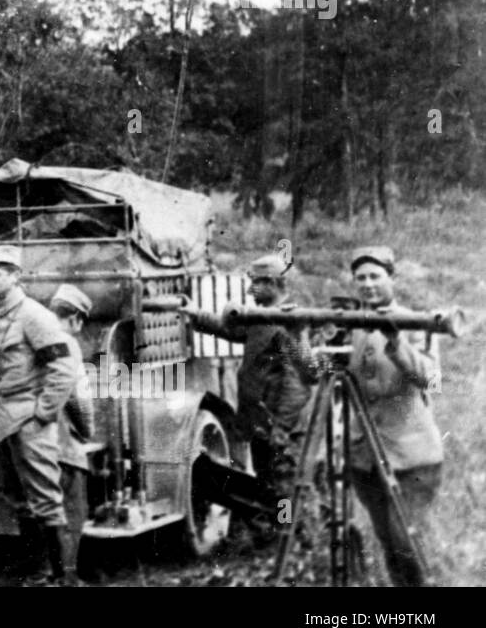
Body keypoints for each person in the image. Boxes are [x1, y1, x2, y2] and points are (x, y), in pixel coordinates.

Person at [183, 252, 318, 535]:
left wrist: (281, 427)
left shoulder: (288, 322)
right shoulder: (262, 318)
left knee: (284, 486)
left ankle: (293, 537)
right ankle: (282, 533)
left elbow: (297, 384)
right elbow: (232, 330)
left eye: (255, 283)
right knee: (269, 482)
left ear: (271, 283)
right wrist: (196, 315)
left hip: (280, 427)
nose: (249, 289)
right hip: (262, 423)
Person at [0, 245, 81, 586]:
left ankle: (64, 578)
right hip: (0, 418)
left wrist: (44, 412)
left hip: (27, 421)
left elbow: (64, 367)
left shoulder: (34, 315)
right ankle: (38, 570)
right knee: (18, 498)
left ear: (16, 275)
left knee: (45, 499)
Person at [345, 246, 442, 587]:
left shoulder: (416, 322)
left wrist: (396, 340)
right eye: (361, 278)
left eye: (375, 276)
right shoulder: (355, 326)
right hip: (367, 459)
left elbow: (431, 378)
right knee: (389, 543)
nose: (368, 285)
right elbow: (329, 374)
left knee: (407, 544)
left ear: (391, 278)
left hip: (411, 458)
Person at [47, 283, 96, 585]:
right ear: (75, 318)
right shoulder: (67, 343)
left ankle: (49, 577)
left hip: (32, 446)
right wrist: (87, 431)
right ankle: (68, 579)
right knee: (72, 514)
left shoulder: (32, 335)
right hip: (63, 445)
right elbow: (79, 400)